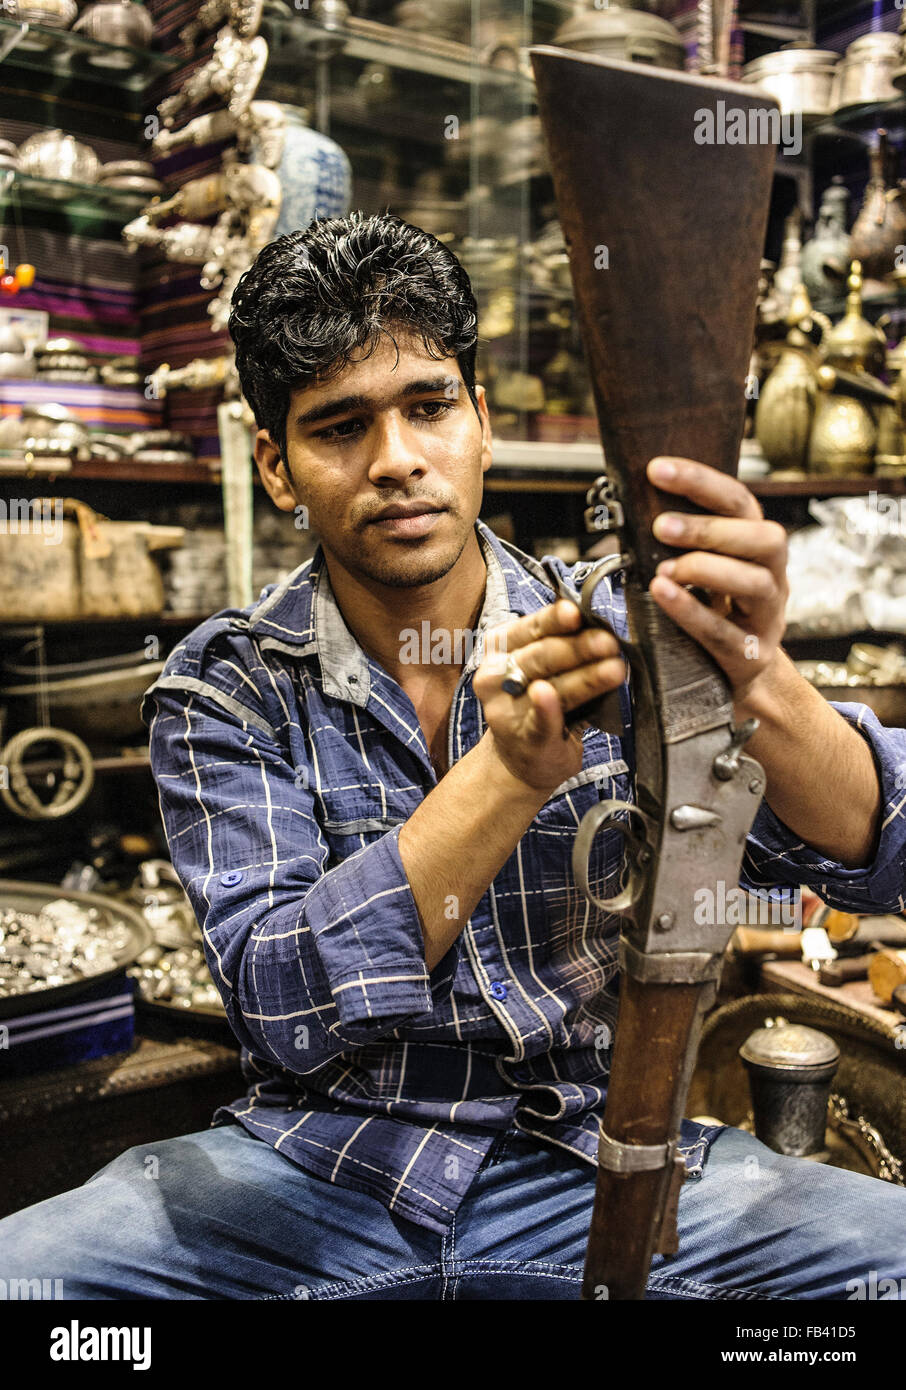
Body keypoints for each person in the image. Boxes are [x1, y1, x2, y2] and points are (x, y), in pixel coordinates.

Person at [1, 212, 904, 1301]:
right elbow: (283, 1004)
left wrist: (755, 674)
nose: (397, 461)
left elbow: (878, 849)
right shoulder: (224, 684)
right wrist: (509, 776)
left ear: (479, 421)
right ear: (276, 467)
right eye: (340, 427)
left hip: (602, 1157)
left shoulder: (623, 630)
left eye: (428, 407)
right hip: (312, 1178)